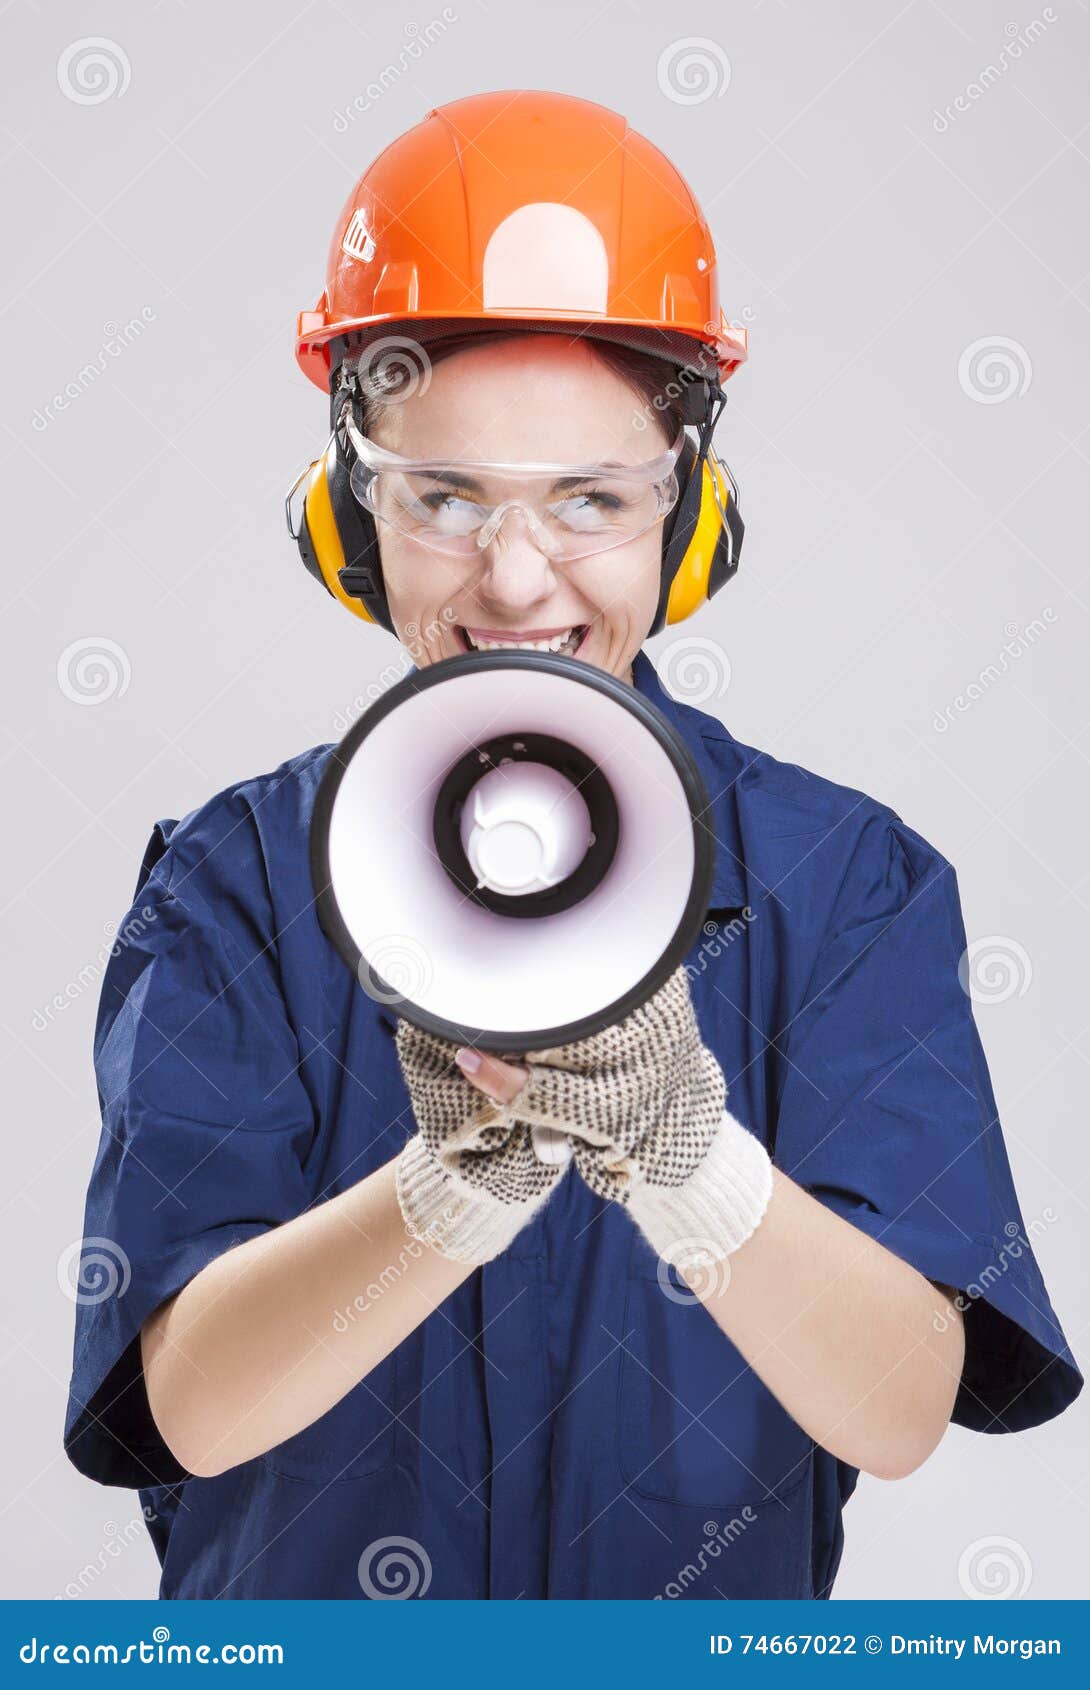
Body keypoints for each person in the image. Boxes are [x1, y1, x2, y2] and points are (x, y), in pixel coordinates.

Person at [64, 89, 1081, 1601]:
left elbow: (898, 1405)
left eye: (590, 500)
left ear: (689, 519)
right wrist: (445, 1193)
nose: (515, 573)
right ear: (348, 517)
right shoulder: (239, 881)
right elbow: (191, 1408)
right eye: (444, 498)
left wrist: (685, 1157)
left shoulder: (842, 882)